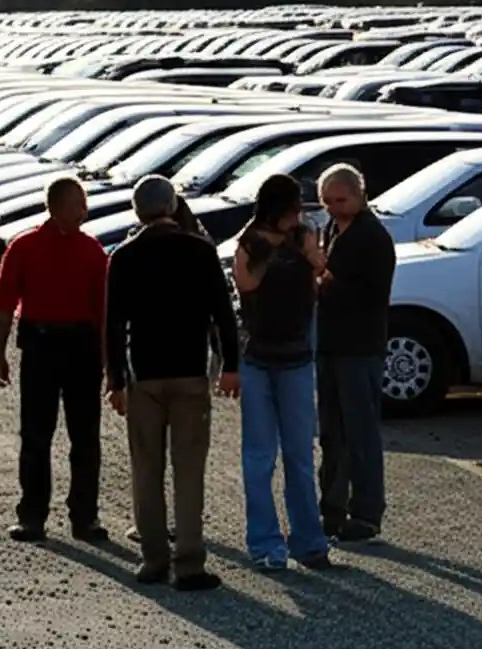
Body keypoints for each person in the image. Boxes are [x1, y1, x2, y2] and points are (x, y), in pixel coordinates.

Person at [105, 176, 241, 591]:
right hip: (189, 373)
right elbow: (223, 312)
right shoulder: (199, 250)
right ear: (173, 204)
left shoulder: (124, 256)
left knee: (146, 469)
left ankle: (152, 560)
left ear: (136, 210)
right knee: (188, 471)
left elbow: (114, 322)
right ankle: (189, 562)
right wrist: (231, 365)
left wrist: (116, 380)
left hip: (144, 374)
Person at [0, 176, 109, 543]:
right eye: (78, 204)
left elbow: (104, 310)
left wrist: (107, 361)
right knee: (36, 435)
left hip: (82, 348)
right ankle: (32, 516)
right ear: (56, 206)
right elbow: (6, 304)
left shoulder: (92, 251)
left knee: (85, 437)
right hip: (40, 346)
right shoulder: (24, 247)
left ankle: (85, 517)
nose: (84, 210)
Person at [232, 173, 331, 571]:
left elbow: (321, 273)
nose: (297, 216)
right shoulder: (250, 241)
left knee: (299, 455)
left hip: (296, 356)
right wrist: (272, 252)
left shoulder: (303, 236)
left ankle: (309, 541)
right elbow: (247, 283)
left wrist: (308, 250)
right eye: (292, 209)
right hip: (257, 357)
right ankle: (265, 544)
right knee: (259, 457)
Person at [315, 164, 396, 543]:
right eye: (327, 201)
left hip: (360, 345)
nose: (332, 208)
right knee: (332, 432)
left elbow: (352, 288)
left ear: (359, 195)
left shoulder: (370, 237)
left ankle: (366, 511)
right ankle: (332, 508)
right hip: (332, 342)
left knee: (360, 432)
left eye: (339, 200)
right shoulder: (335, 229)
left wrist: (320, 273)